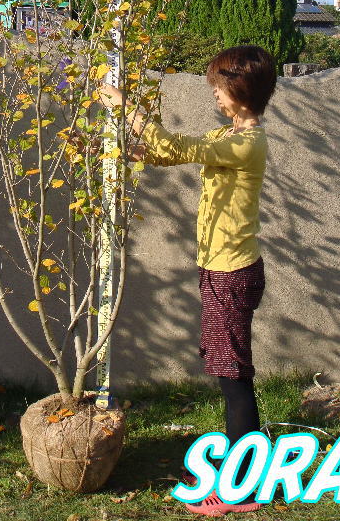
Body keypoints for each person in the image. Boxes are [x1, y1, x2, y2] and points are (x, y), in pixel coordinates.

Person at [99, 45, 277, 516]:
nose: (214, 95)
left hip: (230, 275)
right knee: (229, 373)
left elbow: (180, 147)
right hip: (221, 270)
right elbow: (174, 154)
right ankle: (244, 475)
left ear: (238, 92)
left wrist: (127, 109)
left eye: (218, 87)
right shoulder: (229, 136)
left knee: (233, 378)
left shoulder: (246, 143)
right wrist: (134, 151)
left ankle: (243, 488)